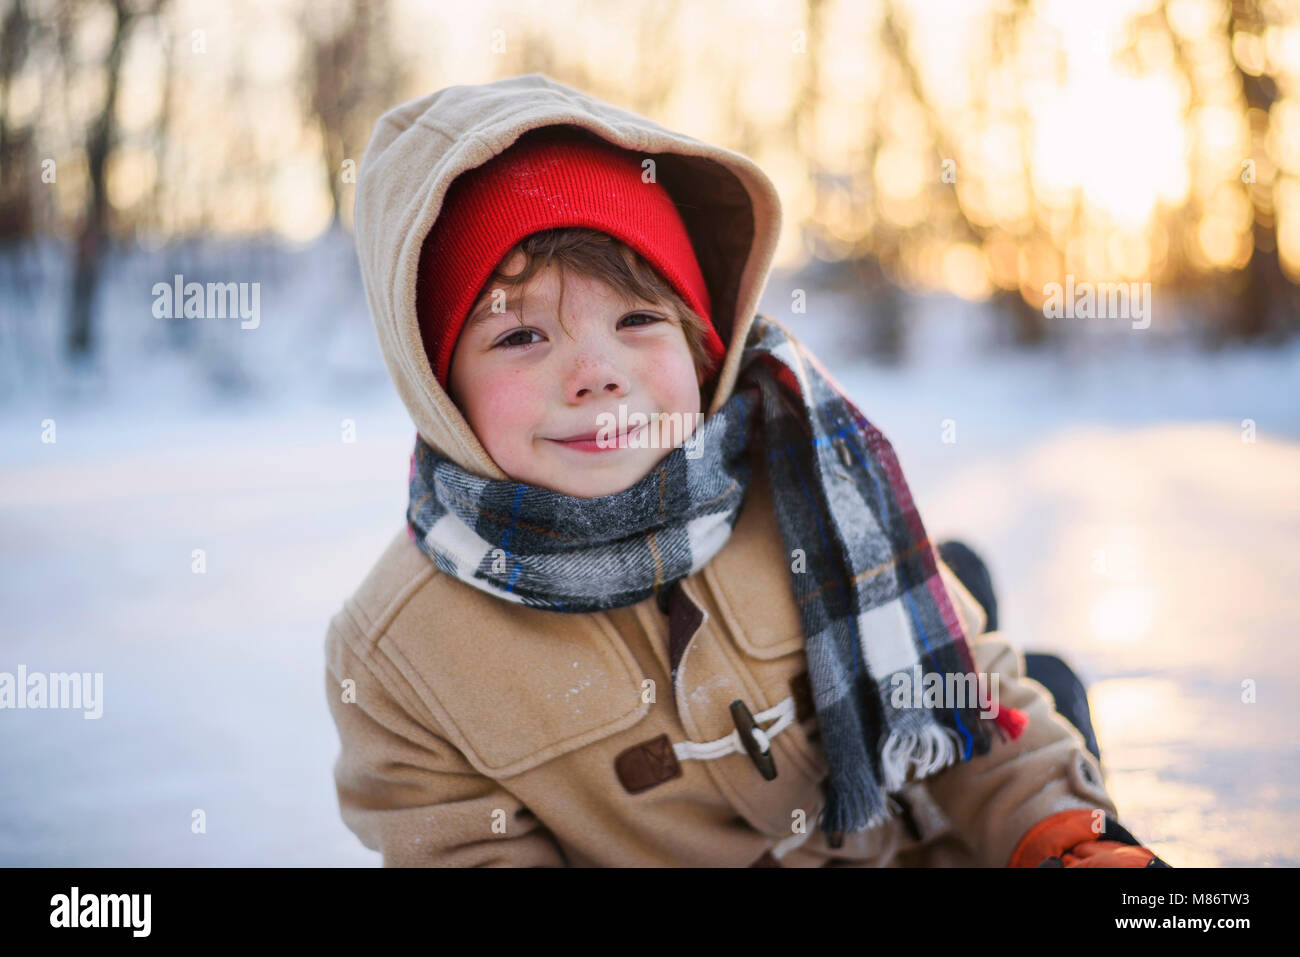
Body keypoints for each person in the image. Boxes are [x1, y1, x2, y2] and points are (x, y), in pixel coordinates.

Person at [324, 73, 1168, 868]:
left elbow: (977, 709)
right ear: (439, 384)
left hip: (923, 841)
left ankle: (953, 578)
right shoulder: (401, 659)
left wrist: (1060, 834)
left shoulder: (804, 482)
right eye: (521, 335)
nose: (595, 373)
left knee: (1019, 676)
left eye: (637, 318)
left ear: (701, 346)